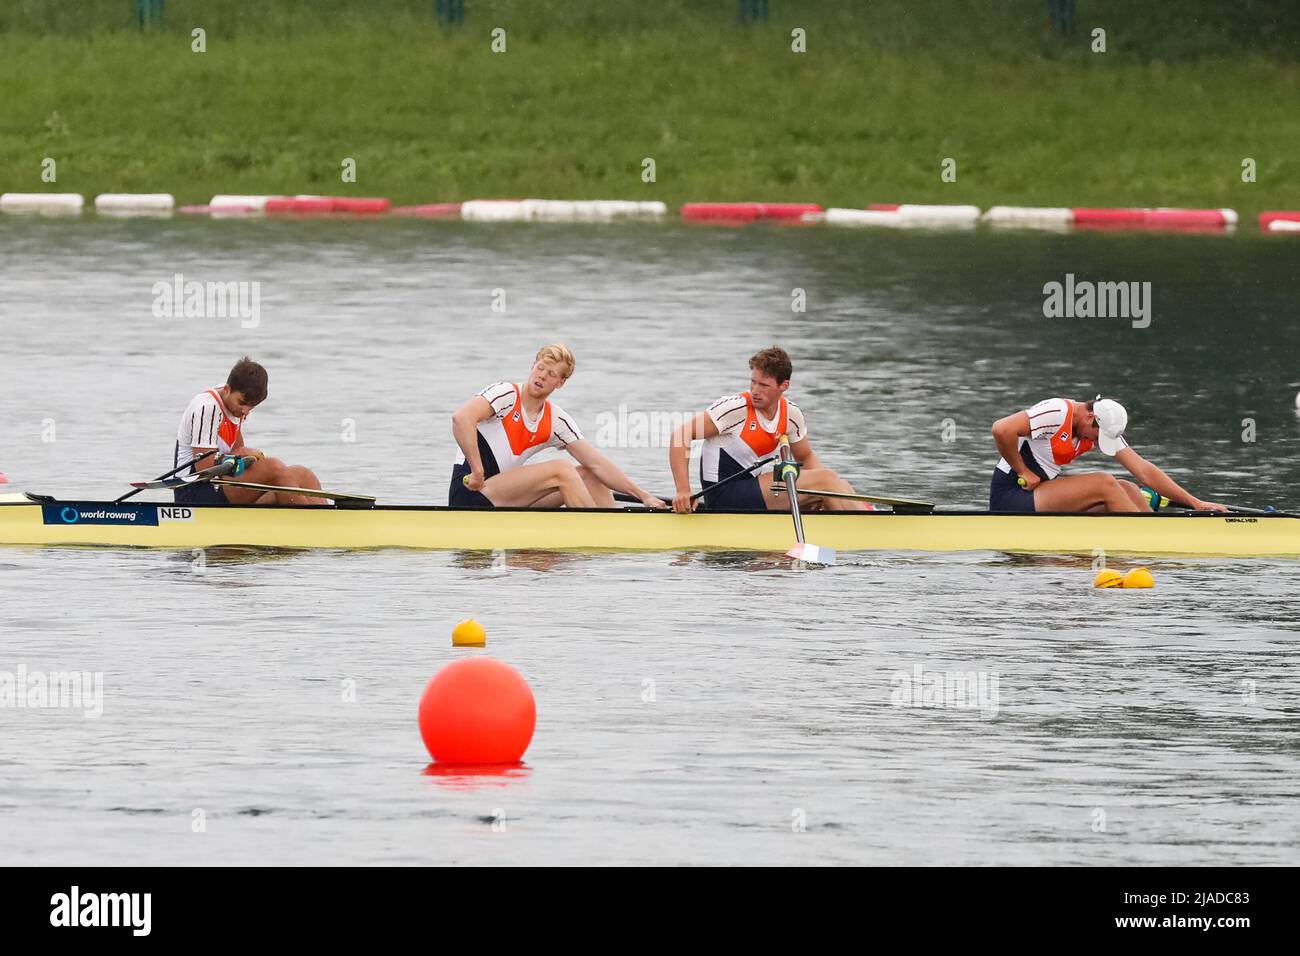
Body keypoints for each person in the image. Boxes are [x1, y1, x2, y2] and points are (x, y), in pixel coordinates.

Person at [449, 344, 664, 509]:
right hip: (471, 492)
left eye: (551, 374)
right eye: (540, 368)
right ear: (532, 366)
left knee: (591, 475)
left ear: (560, 383)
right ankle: (597, 533)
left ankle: (618, 533)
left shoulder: (557, 420)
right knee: (562, 469)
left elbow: (598, 464)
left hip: (503, 498)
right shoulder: (505, 394)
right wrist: (477, 470)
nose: (542, 375)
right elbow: (461, 419)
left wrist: (643, 495)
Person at [667, 346, 871, 513]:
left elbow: (806, 457)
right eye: (753, 382)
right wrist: (683, 490)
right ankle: (870, 526)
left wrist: (816, 492)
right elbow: (681, 436)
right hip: (723, 494)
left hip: (752, 488)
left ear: (784, 385)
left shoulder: (791, 414)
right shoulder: (735, 408)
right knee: (825, 481)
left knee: (831, 481)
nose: (755, 390)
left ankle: (861, 518)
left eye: (763, 385)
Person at [990, 396, 1227, 513]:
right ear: (1090, 418)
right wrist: (1022, 470)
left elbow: (1144, 470)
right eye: (1097, 436)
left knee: (1128, 488)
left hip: (1036, 495)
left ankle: (1156, 534)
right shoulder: (1057, 412)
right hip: (1011, 495)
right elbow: (1002, 429)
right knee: (1104, 483)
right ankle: (1149, 540)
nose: (1095, 442)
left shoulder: (1100, 426)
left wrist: (1196, 503)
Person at [173, 357, 325, 505]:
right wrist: (243, 456)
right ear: (227, 389)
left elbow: (238, 452)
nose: (245, 411)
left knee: (303, 475)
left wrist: (251, 459)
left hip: (220, 484)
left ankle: (325, 520)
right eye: (242, 403)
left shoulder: (234, 402)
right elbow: (204, 468)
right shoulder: (207, 408)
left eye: (251, 407)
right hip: (194, 492)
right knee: (274, 468)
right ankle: (309, 523)